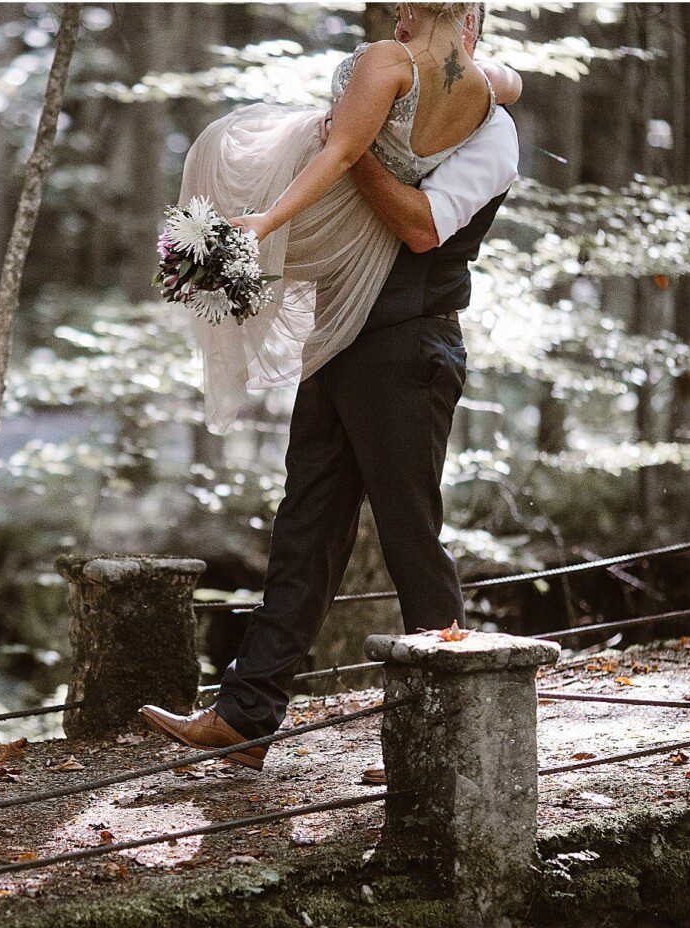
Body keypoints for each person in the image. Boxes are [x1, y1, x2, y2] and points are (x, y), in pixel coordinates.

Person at [141, 2, 520, 773]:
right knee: (305, 526)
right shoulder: (423, 79)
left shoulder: (494, 133)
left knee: (411, 536)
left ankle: (452, 742)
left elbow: (421, 227)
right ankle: (247, 719)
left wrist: (352, 152)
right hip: (341, 339)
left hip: (410, 347)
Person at [179, 2, 519, 434]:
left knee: (222, 150)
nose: (398, 28)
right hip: (343, 302)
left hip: (397, 323)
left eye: (403, 14)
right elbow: (507, 82)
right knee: (308, 497)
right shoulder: (484, 92)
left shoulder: (393, 63)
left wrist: (267, 221)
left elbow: (344, 156)